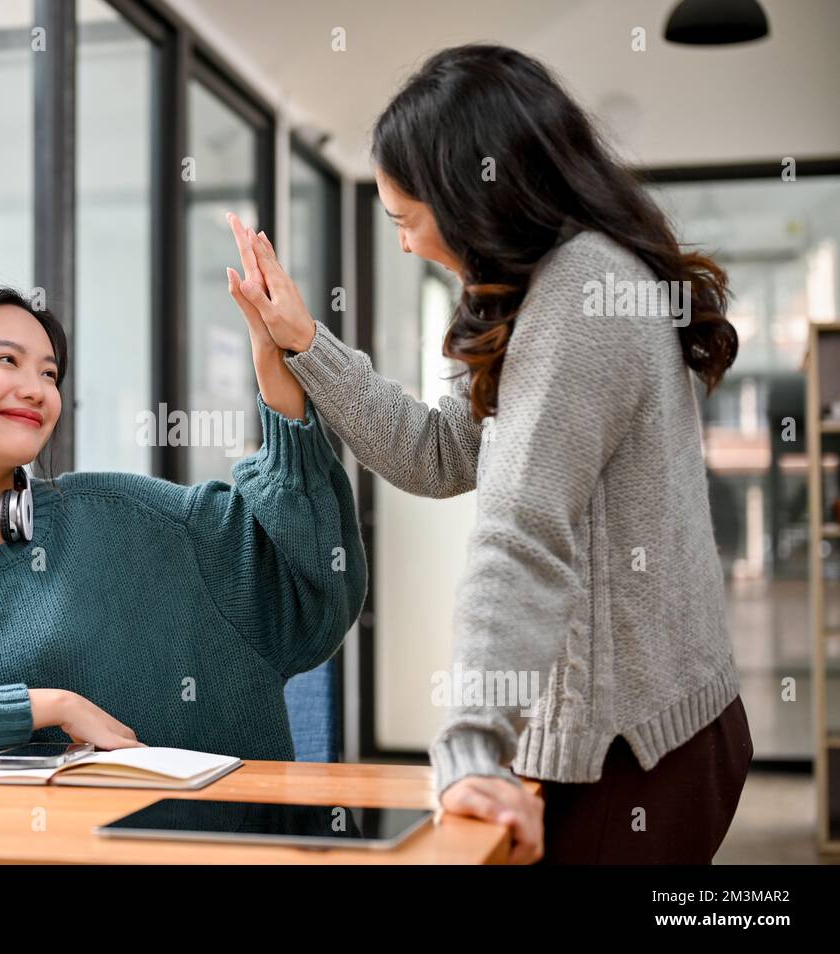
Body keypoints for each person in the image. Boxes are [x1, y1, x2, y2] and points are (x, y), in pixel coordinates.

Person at [225, 44, 753, 863]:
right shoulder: (553, 285)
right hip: (650, 730)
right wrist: (304, 342)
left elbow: (521, 534)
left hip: (634, 754)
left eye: (405, 220)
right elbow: (440, 453)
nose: (402, 245)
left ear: (471, 196)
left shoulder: (581, 297)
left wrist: (470, 743)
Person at [0, 285, 366, 764]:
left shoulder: (129, 517)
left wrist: (281, 389)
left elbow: (308, 585)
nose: (36, 390)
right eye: (7, 360)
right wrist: (42, 706)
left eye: (50, 374)